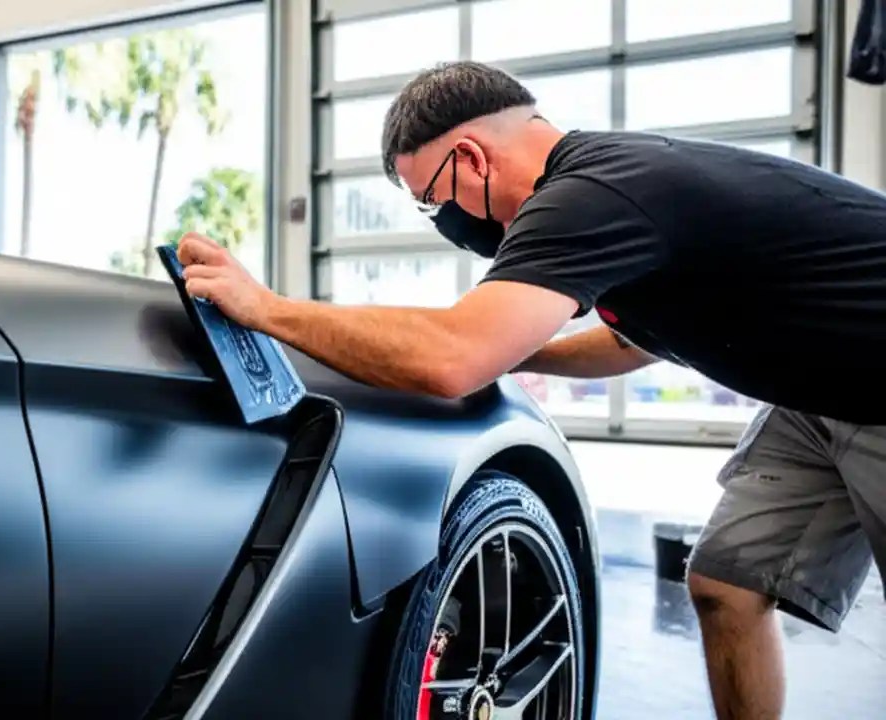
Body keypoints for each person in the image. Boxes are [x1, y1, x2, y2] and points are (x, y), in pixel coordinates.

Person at [174, 60, 886, 720]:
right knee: (728, 586)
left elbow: (452, 357)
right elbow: (631, 342)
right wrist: (518, 350)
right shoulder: (617, 187)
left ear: (475, 158)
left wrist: (266, 309)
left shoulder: (587, 195)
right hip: (818, 391)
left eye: (433, 201)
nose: (446, 223)